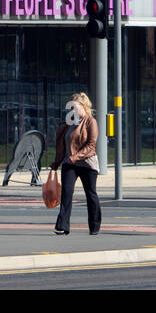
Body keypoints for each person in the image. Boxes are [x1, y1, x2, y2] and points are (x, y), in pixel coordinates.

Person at [52, 92, 101, 235]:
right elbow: (63, 145)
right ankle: (62, 225)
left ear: (83, 106)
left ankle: (94, 225)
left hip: (87, 163)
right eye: (71, 107)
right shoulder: (70, 123)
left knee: (90, 194)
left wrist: (76, 157)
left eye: (75, 106)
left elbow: (91, 145)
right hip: (70, 163)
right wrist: (57, 162)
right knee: (66, 193)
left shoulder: (91, 121)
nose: (72, 110)